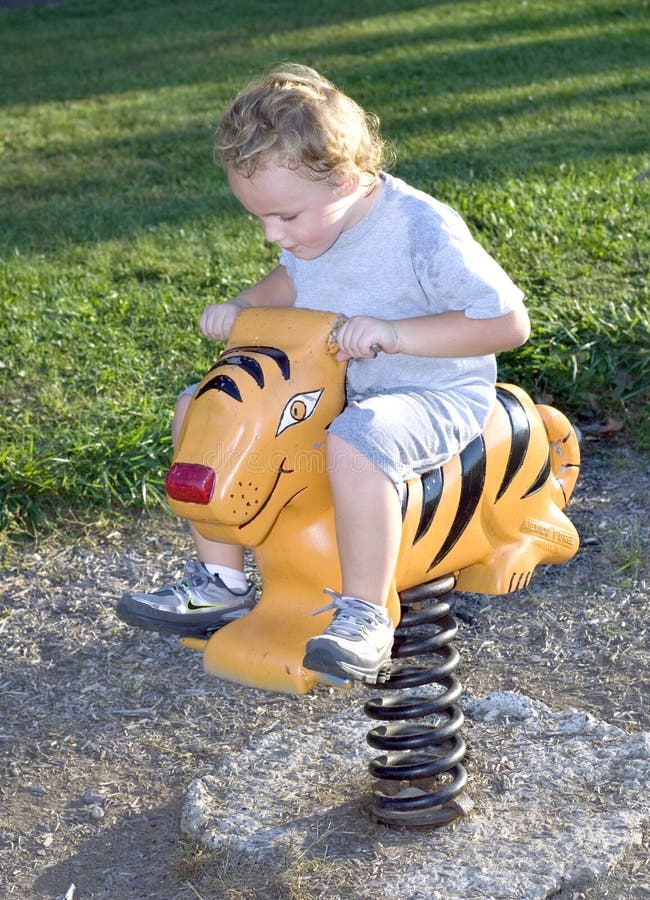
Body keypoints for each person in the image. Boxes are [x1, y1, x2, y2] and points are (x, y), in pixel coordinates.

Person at [118, 63, 530, 684]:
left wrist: (397, 335)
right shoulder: (314, 221)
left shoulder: (421, 230)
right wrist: (249, 306)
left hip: (431, 390)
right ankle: (221, 582)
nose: (270, 233)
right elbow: (294, 278)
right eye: (258, 218)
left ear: (344, 177)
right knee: (195, 407)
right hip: (337, 386)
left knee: (357, 441)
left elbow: (506, 322)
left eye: (283, 218)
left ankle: (366, 614)